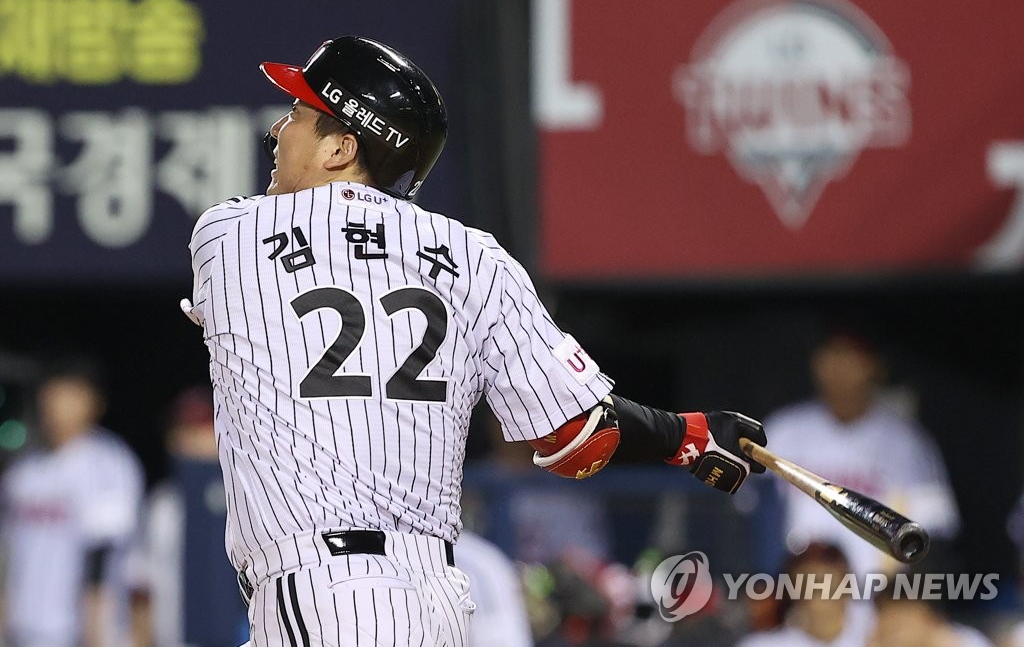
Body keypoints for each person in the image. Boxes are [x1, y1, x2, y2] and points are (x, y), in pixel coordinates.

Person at [180, 35, 767, 647]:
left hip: (328, 592)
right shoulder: (477, 258)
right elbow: (578, 438)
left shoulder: (230, 233)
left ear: (340, 147)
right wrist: (687, 434)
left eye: (299, 116)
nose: (279, 130)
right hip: (438, 600)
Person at [763, 325, 960, 576]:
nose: (839, 367)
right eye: (832, 353)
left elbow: (935, 529)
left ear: (874, 366)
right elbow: (750, 517)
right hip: (797, 599)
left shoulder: (906, 442)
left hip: (875, 599)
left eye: (851, 356)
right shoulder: (783, 431)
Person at [0, 357, 144, 647]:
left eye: (69, 393)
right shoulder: (25, 469)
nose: (56, 403)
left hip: (80, 631)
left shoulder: (107, 461)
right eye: (52, 393)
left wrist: (95, 633)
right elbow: (7, 554)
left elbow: (101, 554)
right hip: (24, 628)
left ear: (94, 402)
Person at [134, 386, 249, 647]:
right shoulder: (162, 505)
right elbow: (142, 587)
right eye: (185, 430)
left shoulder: (246, 500)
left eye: (203, 428)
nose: (194, 440)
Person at [735, 542, 874, 647]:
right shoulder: (761, 645)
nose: (816, 578)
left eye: (826, 566)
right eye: (806, 579)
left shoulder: (880, 631)